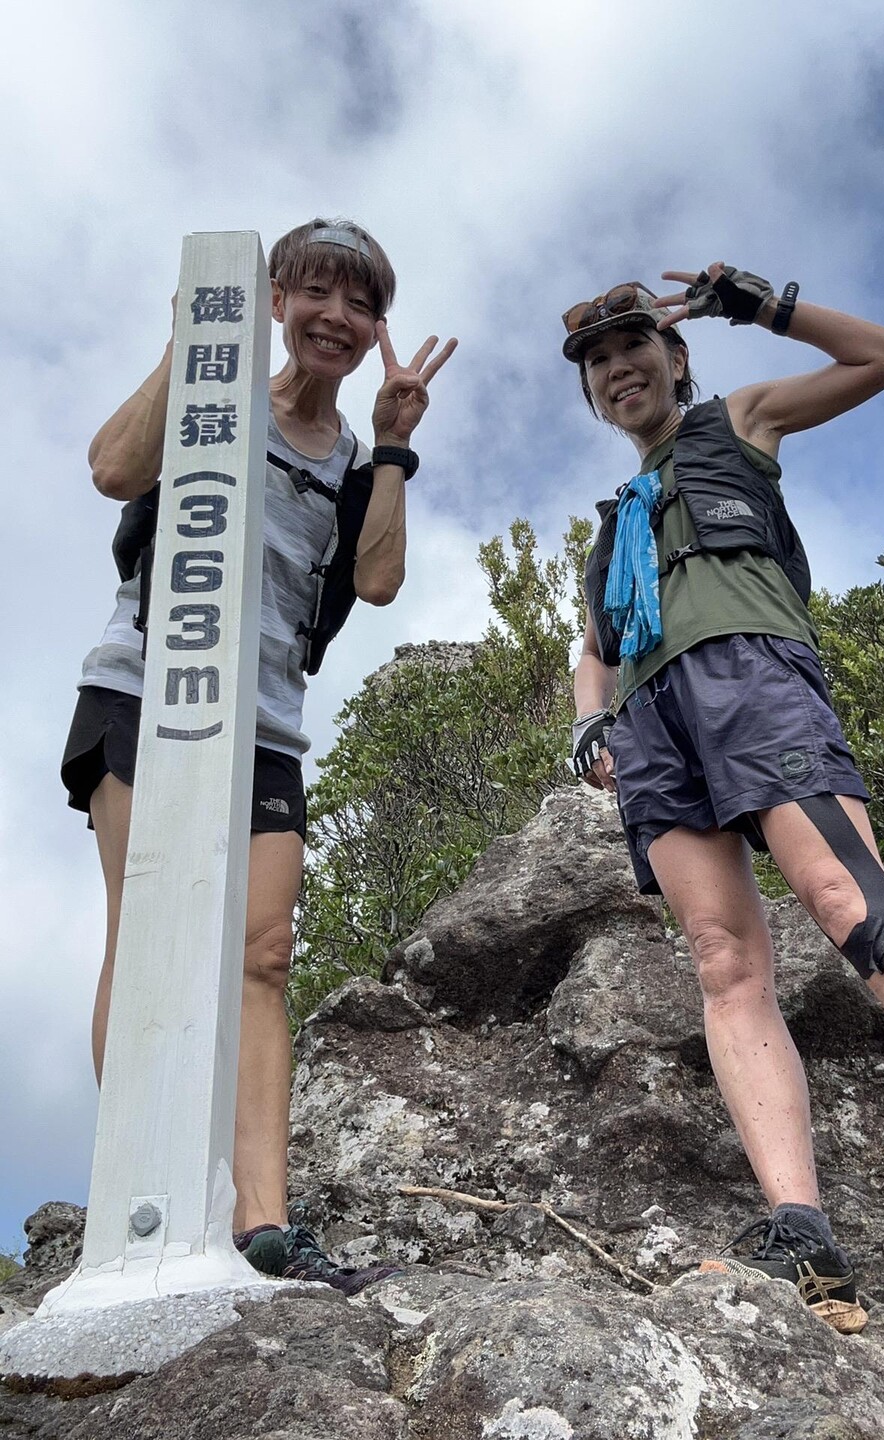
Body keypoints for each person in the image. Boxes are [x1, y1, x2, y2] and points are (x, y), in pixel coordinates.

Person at [563, 261, 884, 1371]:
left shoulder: (739, 423)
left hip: (750, 674)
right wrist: (591, 720)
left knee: (851, 901)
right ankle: (803, 1238)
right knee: (721, 959)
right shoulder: (611, 530)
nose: (616, 369)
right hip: (653, 726)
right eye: (596, 362)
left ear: (675, 357)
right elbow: (593, 647)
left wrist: (765, 307)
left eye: (632, 346)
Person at [63, 217, 456, 1293]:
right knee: (149, 925)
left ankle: (262, 1227)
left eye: (362, 304)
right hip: (147, 683)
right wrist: (193, 342)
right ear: (276, 299)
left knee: (264, 954)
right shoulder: (216, 394)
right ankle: (136, 1198)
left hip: (267, 721)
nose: (338, 317)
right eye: (316, 292)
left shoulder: (354, 460)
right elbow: (113, 469)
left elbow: (376, 581)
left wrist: (394, 446)